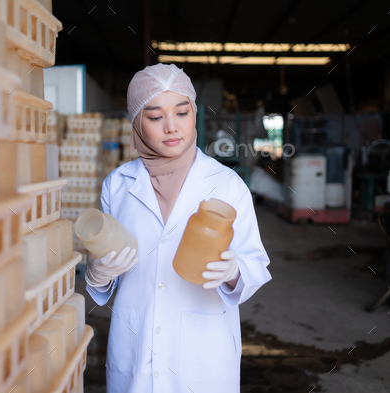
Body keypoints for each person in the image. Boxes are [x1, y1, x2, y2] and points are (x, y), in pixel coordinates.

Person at [85, 63, 272, 393]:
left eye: (182, 113)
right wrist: (98, 273)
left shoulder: (227, 185)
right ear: (136, 123)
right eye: (155, 118)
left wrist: (233, 271)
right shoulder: (117, 185)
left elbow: (255, 264)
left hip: (203, 359)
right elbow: (110, 267)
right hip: (136, 349)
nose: (172, 127)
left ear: (194, 113)